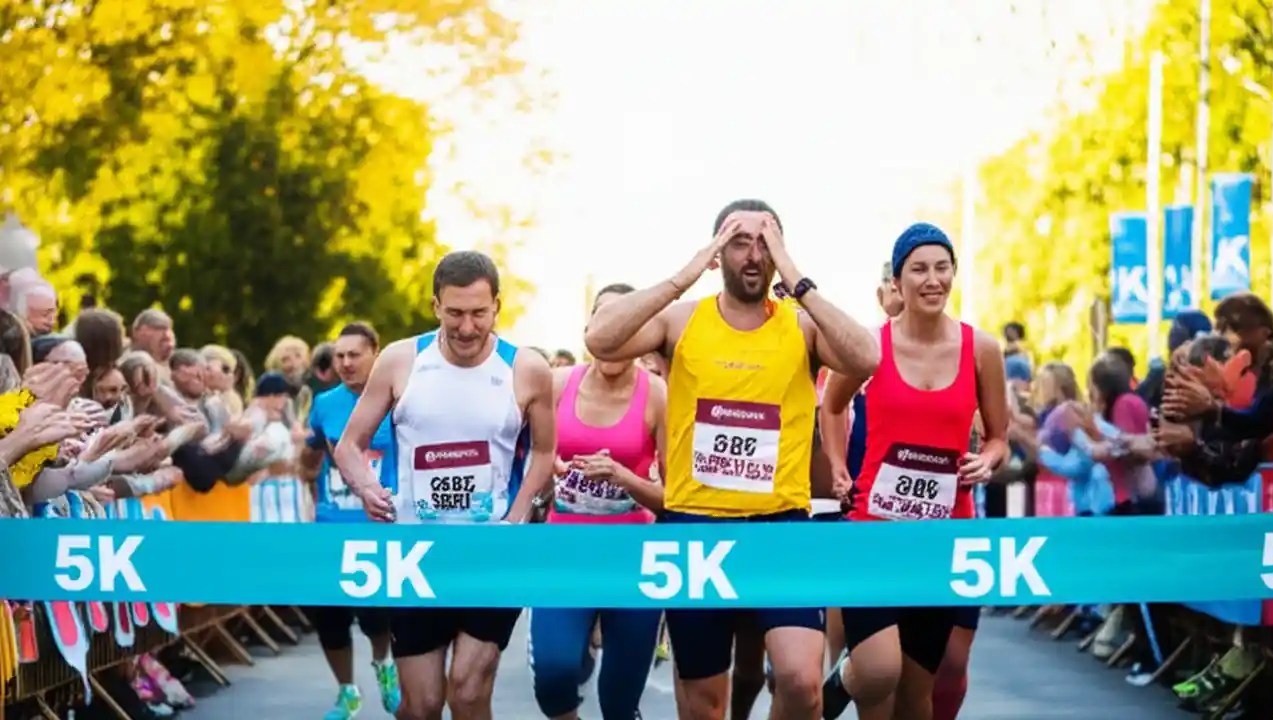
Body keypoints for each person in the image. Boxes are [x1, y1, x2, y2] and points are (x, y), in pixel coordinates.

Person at [583, 199, 880, 720]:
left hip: (780, 525)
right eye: (739, 240)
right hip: (696, 526)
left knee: (801, 683)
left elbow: (866, 357)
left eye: (767, 242)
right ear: (718, 251)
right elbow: (600, 339)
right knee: (705, 704)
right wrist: (684, 274)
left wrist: (798, 278)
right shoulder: (682, 320)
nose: (754, 253)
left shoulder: (800, 325)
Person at [333, 250, 555, 720]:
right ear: (436, 306)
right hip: (417, 553)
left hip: (491, 552)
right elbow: (350, 445)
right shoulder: (400, 361)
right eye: (455, 313)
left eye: (478, 313)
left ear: (497, 305)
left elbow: (543, 452)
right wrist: (367, 487)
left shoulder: (526, 368)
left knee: (469, 692)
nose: (467, 327)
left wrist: (515, 521)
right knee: (422, 705)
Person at [820, 223, 1009, 720]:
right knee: (880, 671)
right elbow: (831, 405)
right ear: (898, 281)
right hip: (874, 532)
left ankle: (848, 680)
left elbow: (999, 438)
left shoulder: (981, 349)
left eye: (942, 268)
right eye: (919, 269)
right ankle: (847, 675)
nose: (932, 280)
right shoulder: (870, 347)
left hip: (943, 537)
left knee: (915, 692)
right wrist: (840, 466)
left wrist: (985, 461)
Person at [528, 283, 666, 720]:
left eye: (625, 326)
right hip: (564, 552)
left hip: (633, 559)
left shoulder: (658, 394)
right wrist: (546, 471)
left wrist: (625, 478)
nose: (612, 336)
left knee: (619, 701)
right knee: (552, 677)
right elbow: (526, 460)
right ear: (588, 330)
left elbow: (676, 497)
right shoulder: (555, 385)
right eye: (603, 323)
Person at [299, 322, 400, 720]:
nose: (344, 362)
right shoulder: (325, 404)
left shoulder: (398, 397)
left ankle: (384, 664)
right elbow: (315, 453)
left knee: (376, 612)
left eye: (354, 354)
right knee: (328, 613)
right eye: (338, 356)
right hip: (332, 521)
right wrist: (308, 480)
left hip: (379, 520)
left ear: (376, 352)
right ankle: (347, 692)